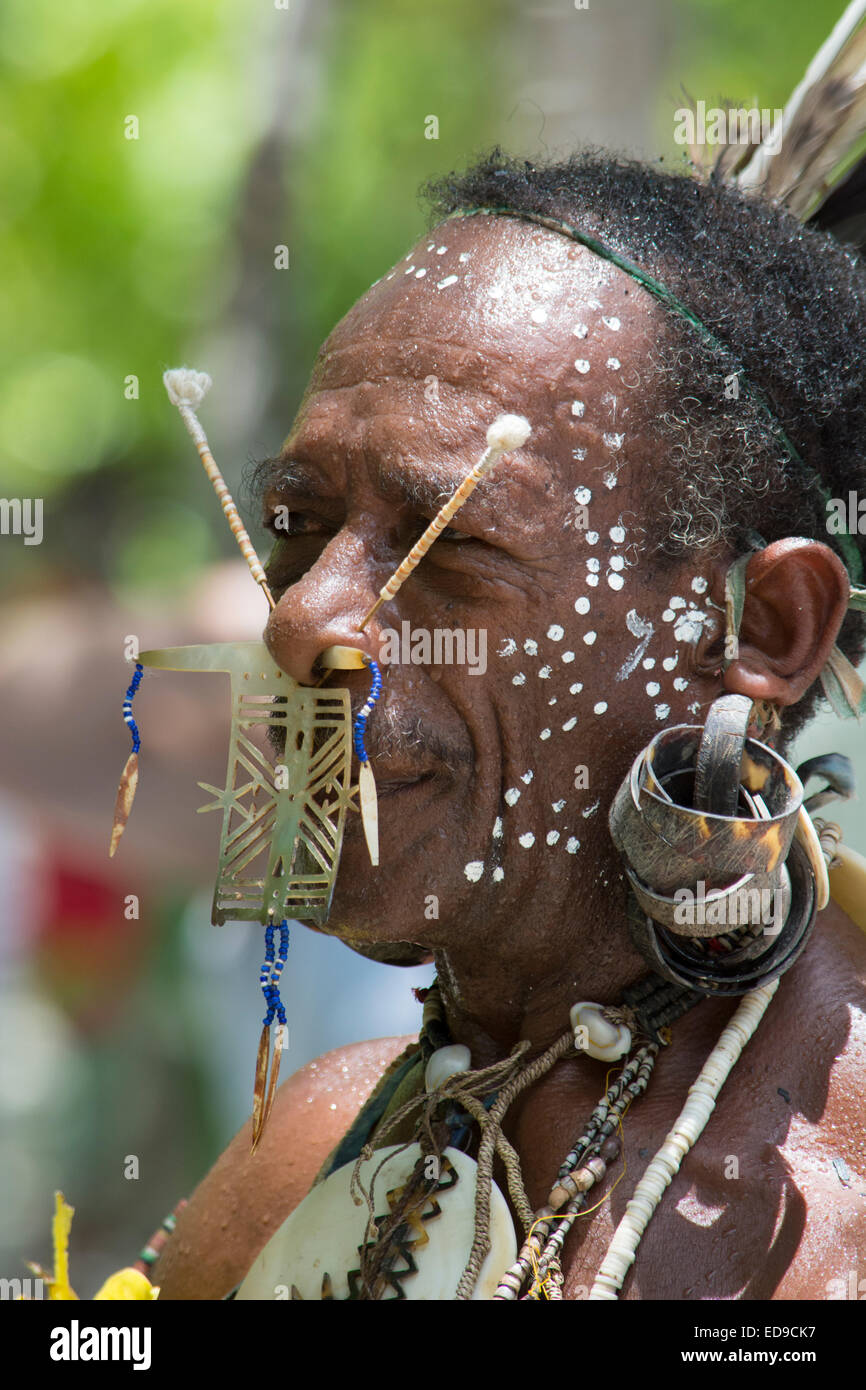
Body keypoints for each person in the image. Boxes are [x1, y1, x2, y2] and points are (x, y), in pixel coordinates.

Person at [150, 147, 866, 1300]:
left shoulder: (829, 1242)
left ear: (769, 626)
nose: (304, 620)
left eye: (453, 544)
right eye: (296, 523)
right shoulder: (298, 1156)